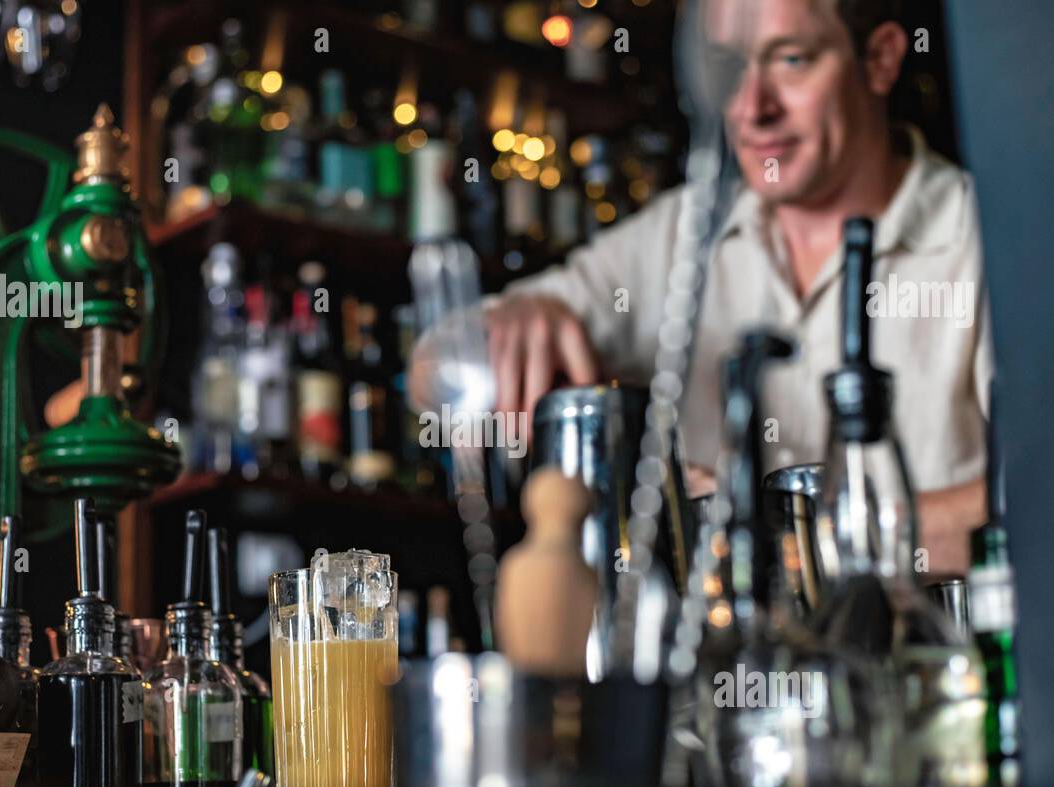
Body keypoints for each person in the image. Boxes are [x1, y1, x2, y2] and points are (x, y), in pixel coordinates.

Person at [425, 0, 991, 573]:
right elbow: (433, 372)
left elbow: (1045, 499)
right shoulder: (683, 233)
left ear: (881, 60)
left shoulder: (985, 235)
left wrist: (778, 538)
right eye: (727, 67)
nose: (751, 107)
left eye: (791, 59)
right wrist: (508, 325)